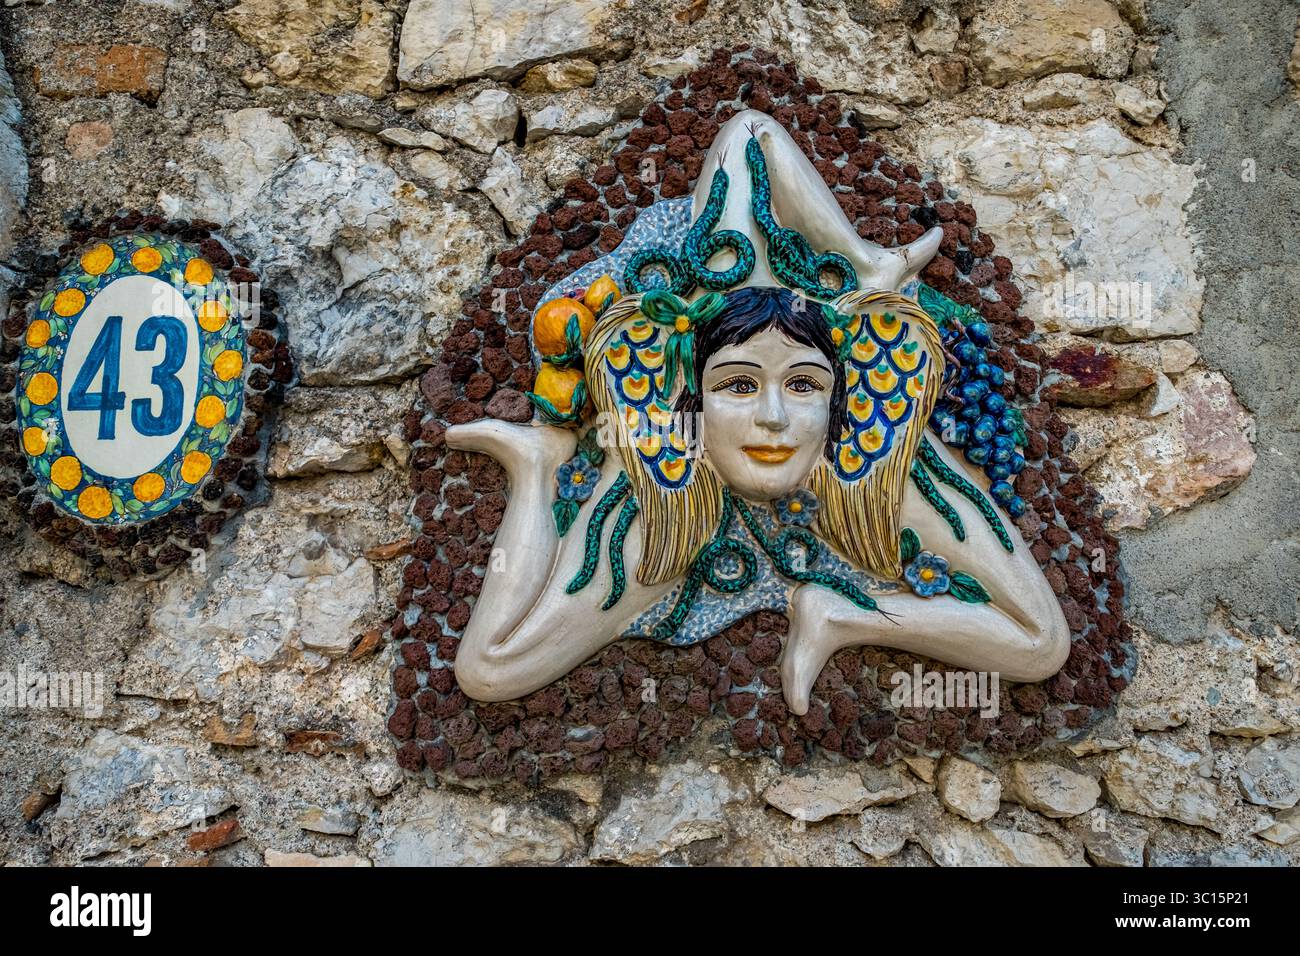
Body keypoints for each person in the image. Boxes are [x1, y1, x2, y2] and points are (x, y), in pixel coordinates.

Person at [447, 283, 1069, 715]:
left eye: (803, 385)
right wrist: (533, 476)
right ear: (688, 401)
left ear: (843, 400)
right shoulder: (656, 506)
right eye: (738, 385)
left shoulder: (891, 480)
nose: (773, 417)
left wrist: (846, 618)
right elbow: (488, 668)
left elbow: (1038, 641)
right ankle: (537, 459)